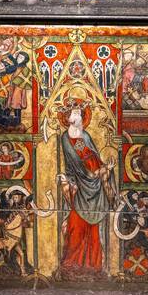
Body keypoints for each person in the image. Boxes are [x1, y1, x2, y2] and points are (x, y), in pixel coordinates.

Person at [58, 101, 116, 274]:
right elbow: (76, 164)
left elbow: (92, 157)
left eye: (79, 113)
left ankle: (93, 265)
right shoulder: (66, 138)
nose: (78, 116)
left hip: (95, 187)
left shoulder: (86, 136)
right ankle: (71, 264)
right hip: (80, 186)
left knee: (94, 230)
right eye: (74, 113)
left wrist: (104, 169)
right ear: (68, 118)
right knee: (76, 227)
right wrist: (98, 172)